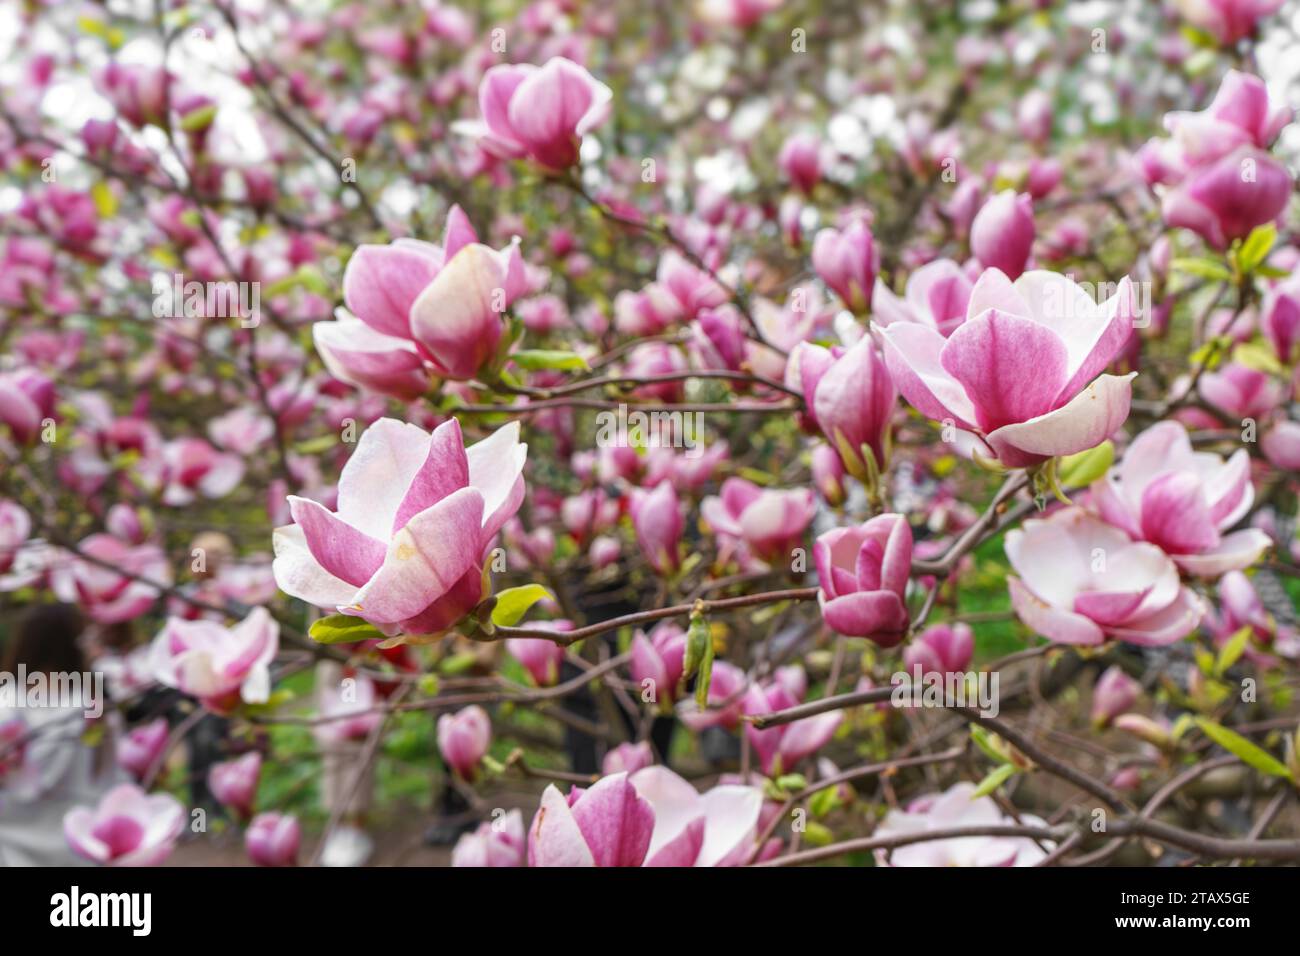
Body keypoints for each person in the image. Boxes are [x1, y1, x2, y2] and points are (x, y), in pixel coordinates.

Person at [0, 604, 126, 865]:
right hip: (78, 849)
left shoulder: (4, 704)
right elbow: (115, 783)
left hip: (11, 843)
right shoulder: (96, 709)